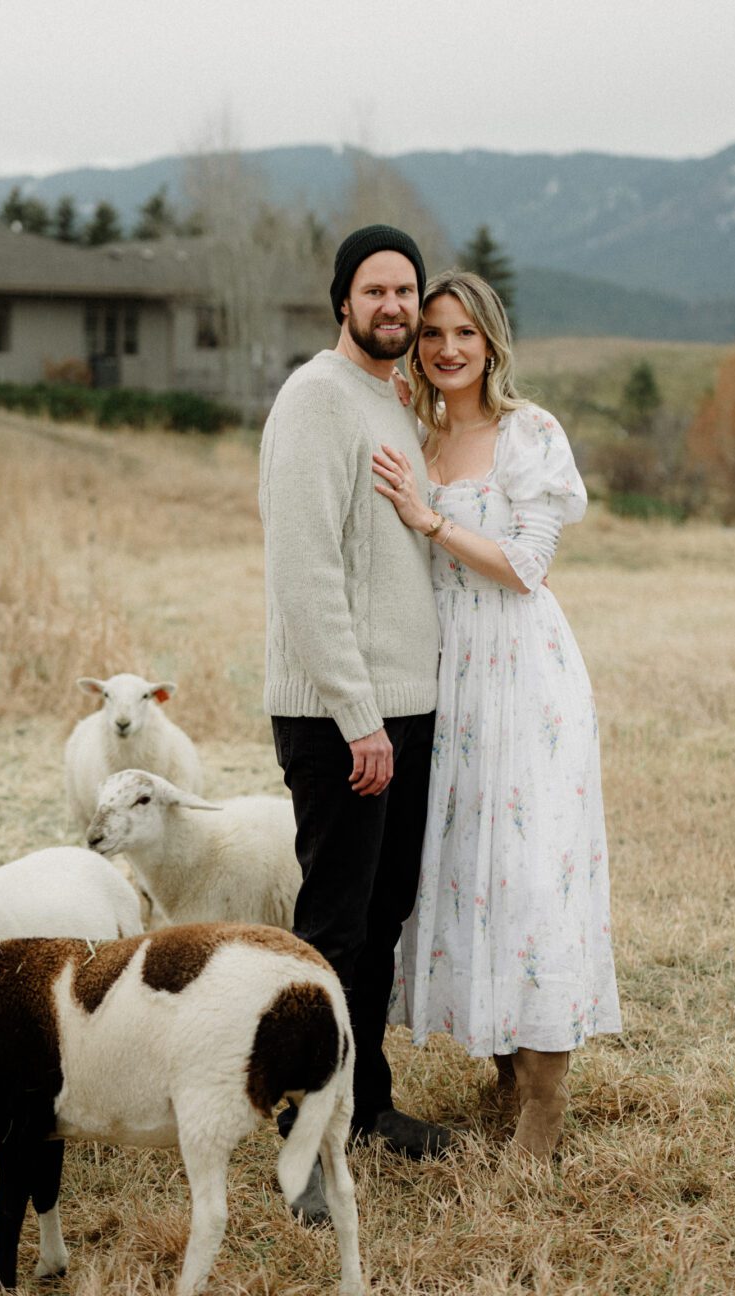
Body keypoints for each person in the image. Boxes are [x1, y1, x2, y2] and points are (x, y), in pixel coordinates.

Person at [374, 270, 621, 1160]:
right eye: (432, 332)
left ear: (492, 342)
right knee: (467, 864)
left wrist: (428, 521)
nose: (445, 348)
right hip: (447, 679)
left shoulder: (530, 434)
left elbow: (526, 565)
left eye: (463, 335)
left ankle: (546, 1105)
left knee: (528, 874)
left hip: (520, 672)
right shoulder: (419, 433)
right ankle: (506, 1061)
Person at [259, 224, 451, 1219]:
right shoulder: (315, 400)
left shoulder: (387, 401)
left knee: (377, 925)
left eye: (404, 291)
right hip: (347, 719)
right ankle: (302, 1150)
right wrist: (357, 715)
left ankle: (363, 1107)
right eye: (374, 290)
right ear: (342, 300)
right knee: (333, 929)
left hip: (402, 714)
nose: (392, 307)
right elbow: (304, 571)